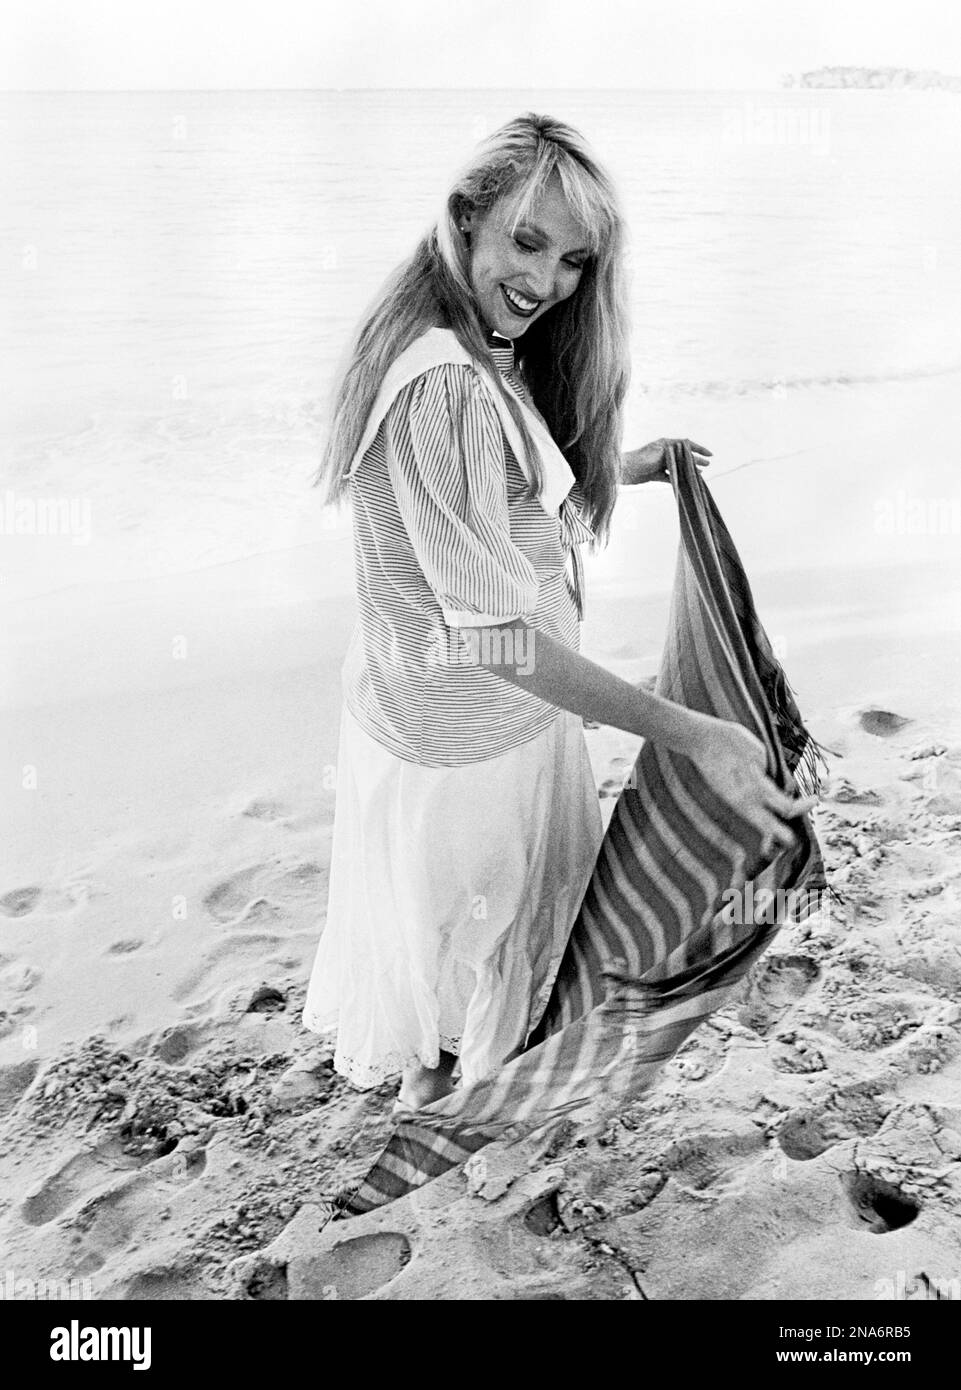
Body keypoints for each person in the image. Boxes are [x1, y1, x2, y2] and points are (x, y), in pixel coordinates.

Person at [303, 112, 815, 1110]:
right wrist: (686, 730)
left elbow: (494, 491)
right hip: (471, 743)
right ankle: (457, 1130)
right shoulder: (444, 379)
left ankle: (460, 1096)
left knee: (469, 965)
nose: (546, 282)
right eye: (527, 242)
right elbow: (493, 636)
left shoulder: (466, 342)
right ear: (466, 217)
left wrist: (628, 465)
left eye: (575, 260)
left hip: (448, 718)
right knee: (479, 975)